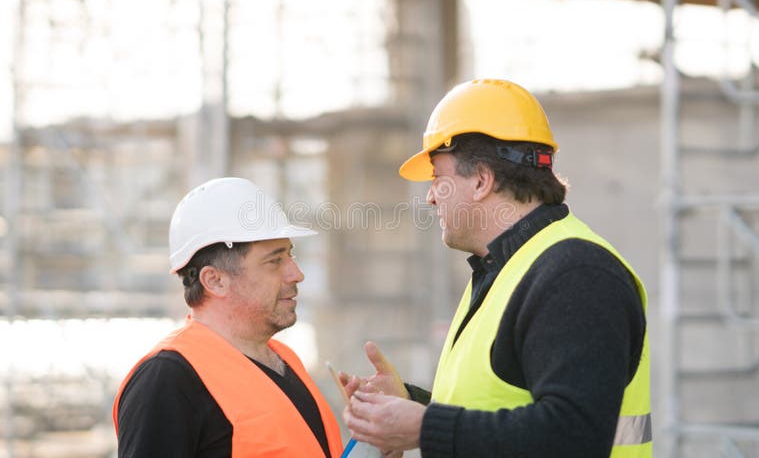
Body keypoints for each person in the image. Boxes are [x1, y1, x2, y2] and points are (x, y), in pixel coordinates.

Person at [341, 79, 652, 458]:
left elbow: (575, 435)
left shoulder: (577, 275)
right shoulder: (507, 271)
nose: (430, 196)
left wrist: (424, 427)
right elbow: (498, 414)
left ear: (481, 181)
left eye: (439, 178)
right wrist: (412, 404)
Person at [113, 177, 343, 458]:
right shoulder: (168, 379)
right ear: (215, 280)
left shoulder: (285, 360)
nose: (296, 274)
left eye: (290, 256)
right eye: (274, 261)